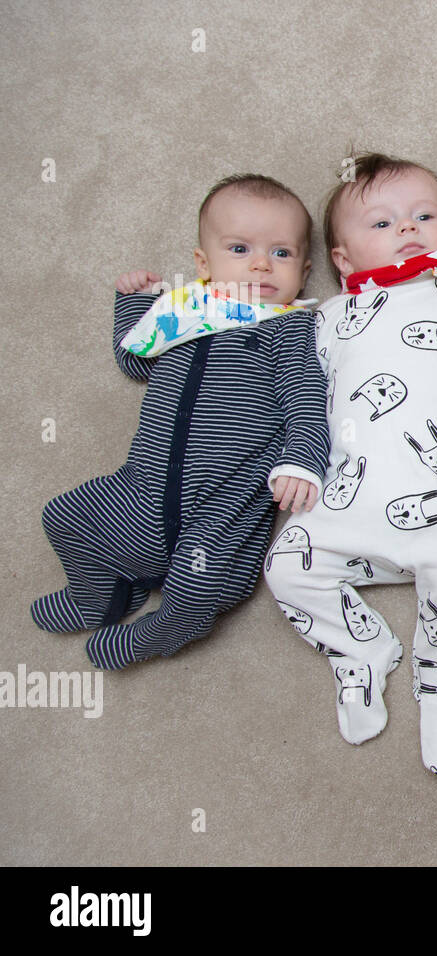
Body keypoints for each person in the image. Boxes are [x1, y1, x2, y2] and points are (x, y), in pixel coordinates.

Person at [264, 153, 437, 779]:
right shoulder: (321, 318)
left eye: (424, 216)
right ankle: (361, 650)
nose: (407, 228)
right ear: (344, 260)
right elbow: (296, 389)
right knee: (287, 569)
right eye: (382, 223)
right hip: (351, 496)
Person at [32, 174, 329, 670]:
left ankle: (165, 630)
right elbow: (135, 360)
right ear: (203, 264)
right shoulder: (184, 311)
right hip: (140, 489)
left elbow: (305, 396)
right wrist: (133, 305)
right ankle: (98, 593)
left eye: (281, 253)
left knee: (198, 581)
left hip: (219, 508)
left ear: (304, 271)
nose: (260, 263)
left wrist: (302, 458)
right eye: (240, 248)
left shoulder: (287, 324)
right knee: (63, 515)